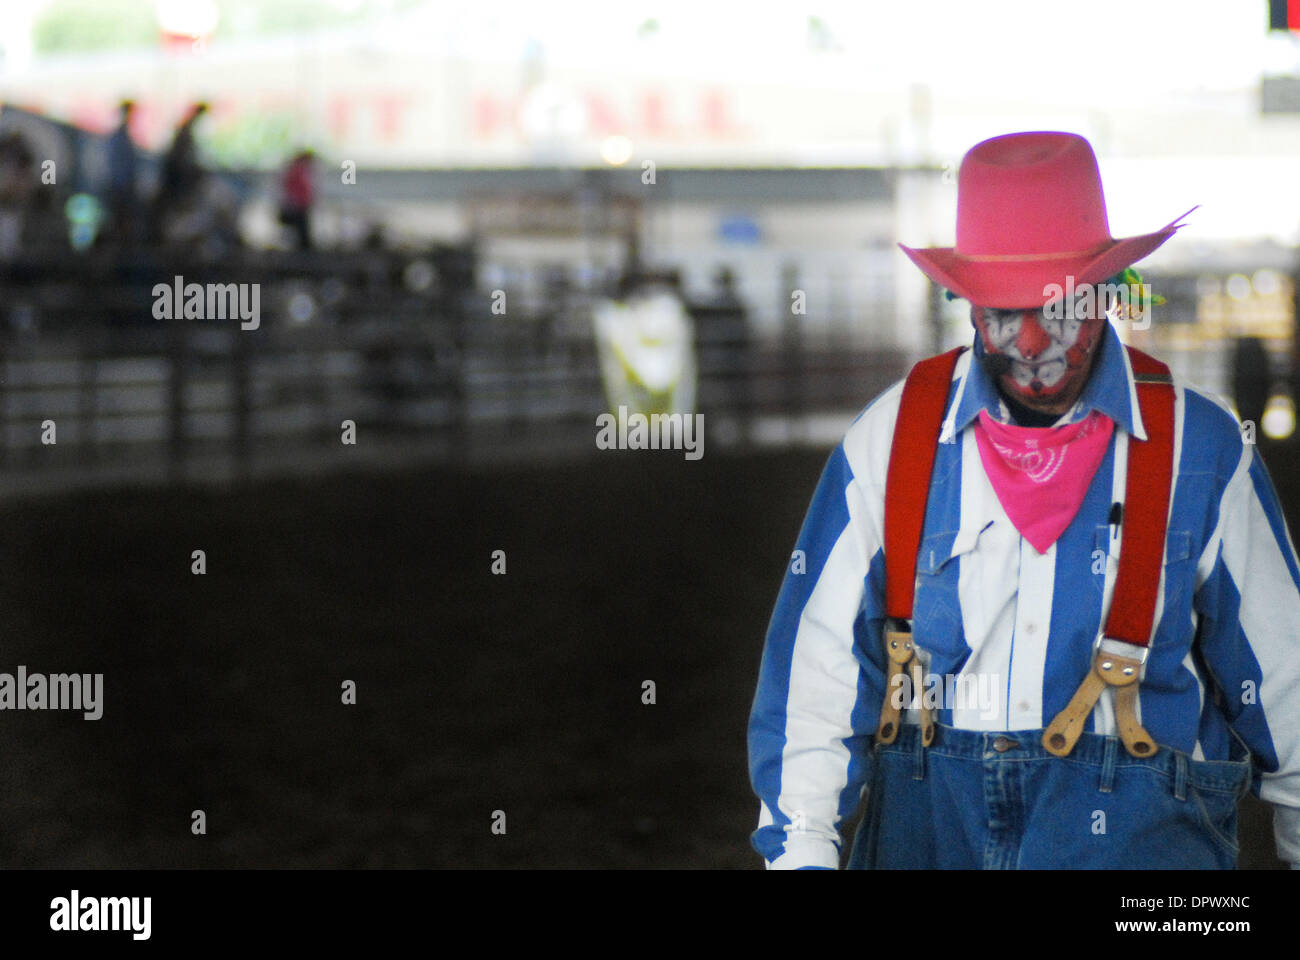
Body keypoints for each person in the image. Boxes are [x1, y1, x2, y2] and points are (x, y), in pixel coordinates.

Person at [747, 131, 1300, 869]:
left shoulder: (1200, 451)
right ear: (968, 303)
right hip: (931, 832)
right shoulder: (891, 440)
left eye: (1060, 304)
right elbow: (815, 675)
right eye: (1005, 310)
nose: (1034, 342)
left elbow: (1287, 686)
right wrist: (803, 853)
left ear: (1105, 295)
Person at [278, 148, 316, 250]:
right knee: (300, 232)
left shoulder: (299, 170)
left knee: (301, 232)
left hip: (299, 206)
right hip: (296, 207)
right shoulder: (296, 170)